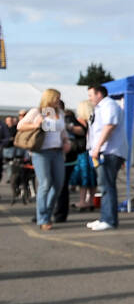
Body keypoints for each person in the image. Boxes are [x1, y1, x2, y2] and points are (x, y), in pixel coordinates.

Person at [15, 89, 71, 231]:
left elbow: (62, 131)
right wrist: (36, 124)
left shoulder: (59, 113)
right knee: (45, 184)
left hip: (57, 152)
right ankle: (43, 218)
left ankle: (47, 211)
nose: (58, 100)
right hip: (41, 152)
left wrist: (66, 141)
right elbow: (20, 126)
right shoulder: (39, 111)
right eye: (56, 98)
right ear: (49, 98)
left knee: (58, 184)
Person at [86, 83, 128, 231]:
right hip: (104, 152)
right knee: (104, 185)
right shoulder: (102, 107)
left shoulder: (108, 105)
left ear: (99, 94)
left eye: (91, 95)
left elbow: (109, 126)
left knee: (107, 186)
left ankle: (109, 220)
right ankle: (104, 217)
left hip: (109, 152)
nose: (89, 98)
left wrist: (97, 147)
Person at [69, 100, 96, 211]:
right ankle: (90, 201)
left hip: (82, 153)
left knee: (83, 178)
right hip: (92, 151)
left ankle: (82, 201)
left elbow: (80, 132)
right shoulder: (93, 121)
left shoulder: (79, 122)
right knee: (92, 177)